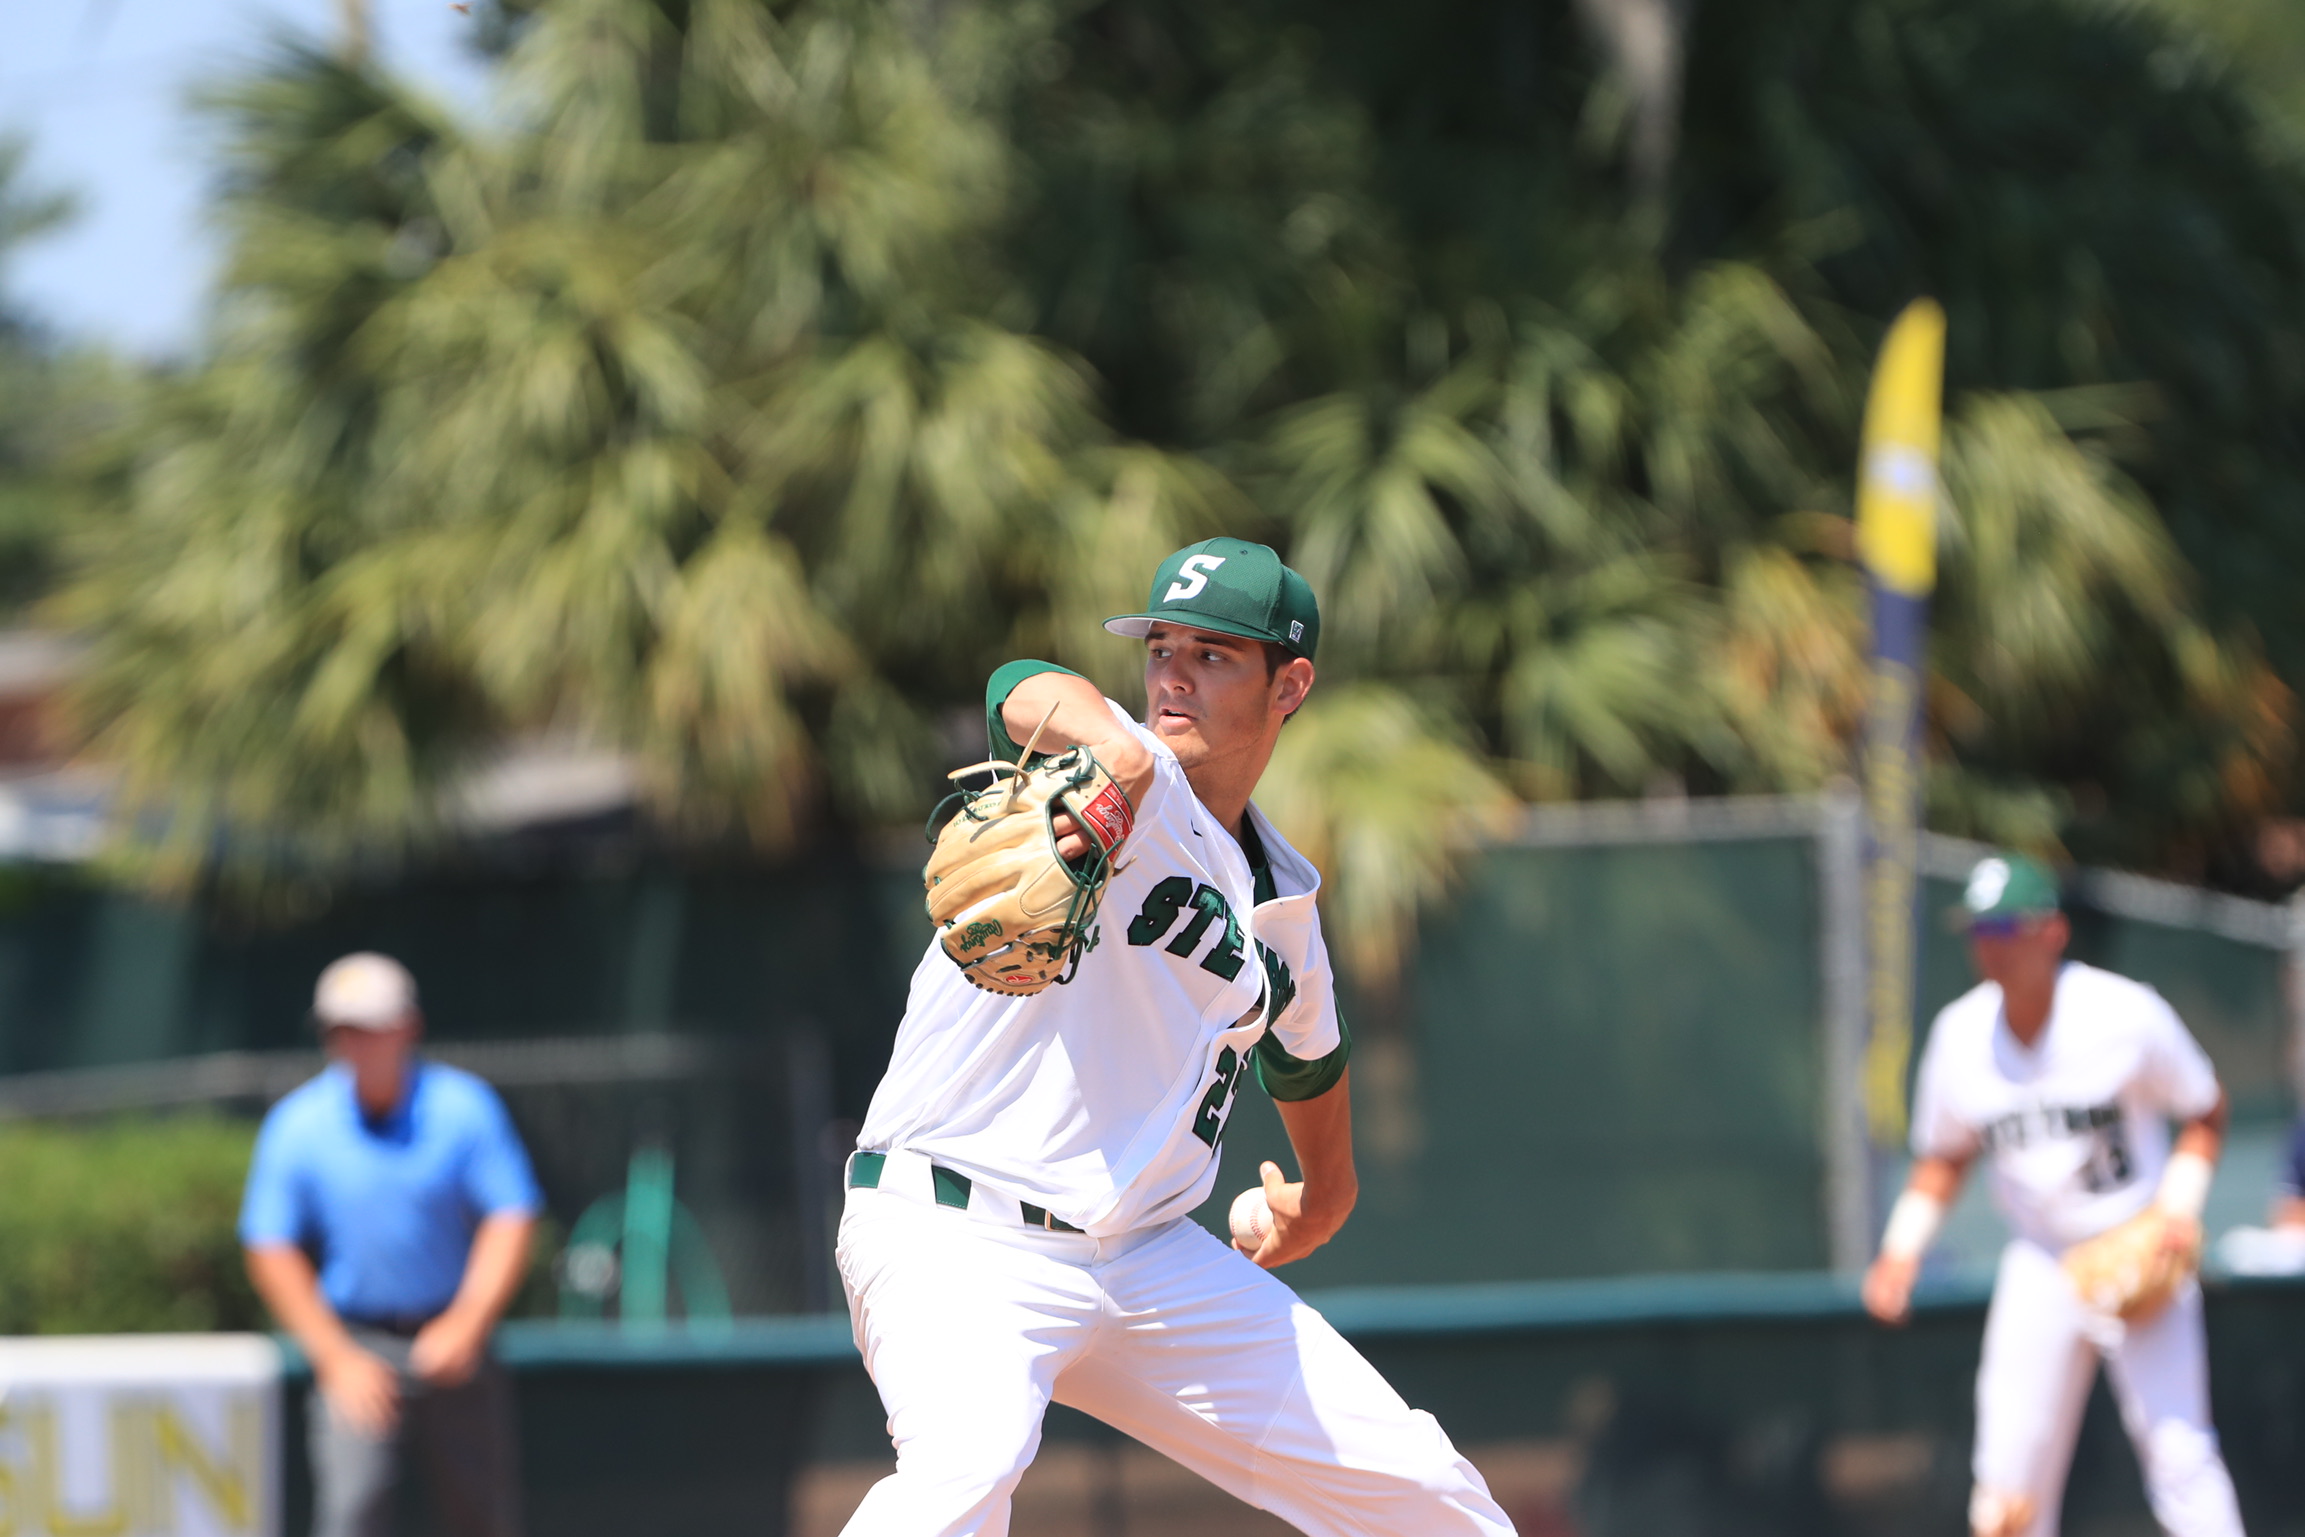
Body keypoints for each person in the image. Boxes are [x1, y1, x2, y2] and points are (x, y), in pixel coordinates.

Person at [837, 537, 1515, 1535]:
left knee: (1421, 1489)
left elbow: (1309, 1067)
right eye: (1160, 646)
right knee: (964, 1475)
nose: (1173, 674)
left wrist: (1317, 1208)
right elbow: (1019, 685)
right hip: (956, 1229)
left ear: (1290, 684)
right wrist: (1107, 754)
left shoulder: (1287, 908)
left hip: (1146, 1259)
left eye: (1213, 653)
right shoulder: (1125, 768)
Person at [1862, 854, 2244, 1537]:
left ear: (2052, 932)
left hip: (2133, 1240)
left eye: (2006, 925)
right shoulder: (1959, 1036)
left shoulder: (2122, 1011)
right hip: (2040, 1258)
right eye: (1979, 928)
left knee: (2177, 1449)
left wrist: (2177, 1209)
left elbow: (2205, 1109)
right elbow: (1944, 1157)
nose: (1990, 943)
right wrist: (1898, 1251)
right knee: (2007, 1472)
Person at [240, 952, 543, 1537]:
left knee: (482, 1517)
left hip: (456, 1346)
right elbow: (269, 1245)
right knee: (352, 1513)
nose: (356, 1043)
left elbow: (511, 1216)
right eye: (340, 1029)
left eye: (371, 1026)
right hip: (355, 1347)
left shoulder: (465, 1109)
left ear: (409, 1026)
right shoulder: (297, 1125)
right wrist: (335, 1357)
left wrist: (467, 1323)